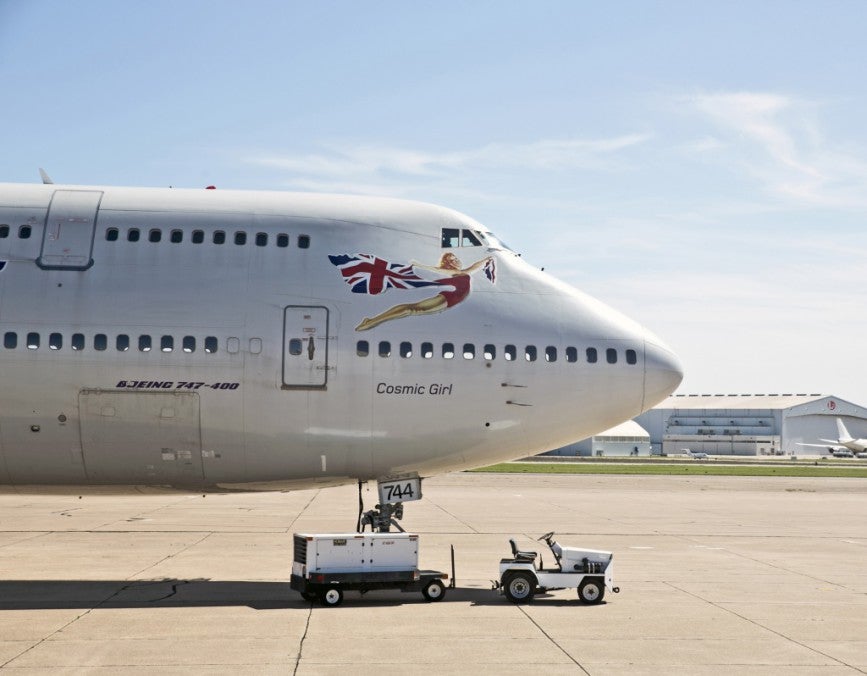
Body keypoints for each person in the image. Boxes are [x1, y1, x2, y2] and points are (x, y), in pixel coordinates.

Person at [355, 252, 493, 331]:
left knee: (412, 309)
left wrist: (486, 260)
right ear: (449, 264)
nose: (456, 260)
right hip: (448, 297)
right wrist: (419, 265)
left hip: (451, 300)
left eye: (456, 258)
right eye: (452, 260)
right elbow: (437, 270)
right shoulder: (451, 271)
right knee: (411, 309)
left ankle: (371, 321)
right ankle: (371, 322)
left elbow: (474, 266)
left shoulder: (462, 272)